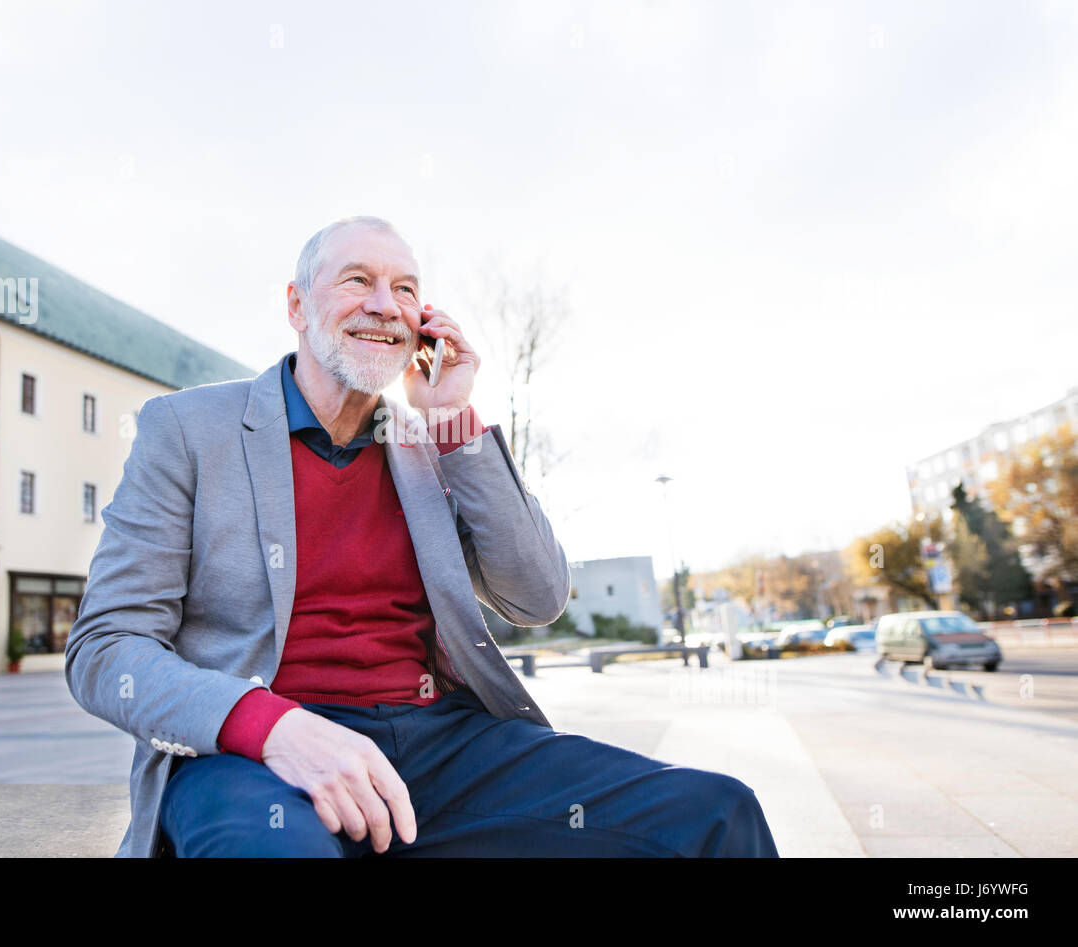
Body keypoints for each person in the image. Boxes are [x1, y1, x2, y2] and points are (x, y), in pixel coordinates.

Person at [64, 216, 778, 858]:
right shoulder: (188, 431)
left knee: (715, 813)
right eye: (358, 280)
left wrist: (453, 421)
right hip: (254, 755)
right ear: (296, 306)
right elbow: (106, 648)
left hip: (438, 741)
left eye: (405, 288)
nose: (385, 304)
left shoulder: (432, 443)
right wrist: (270, 725)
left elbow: (537, 596)